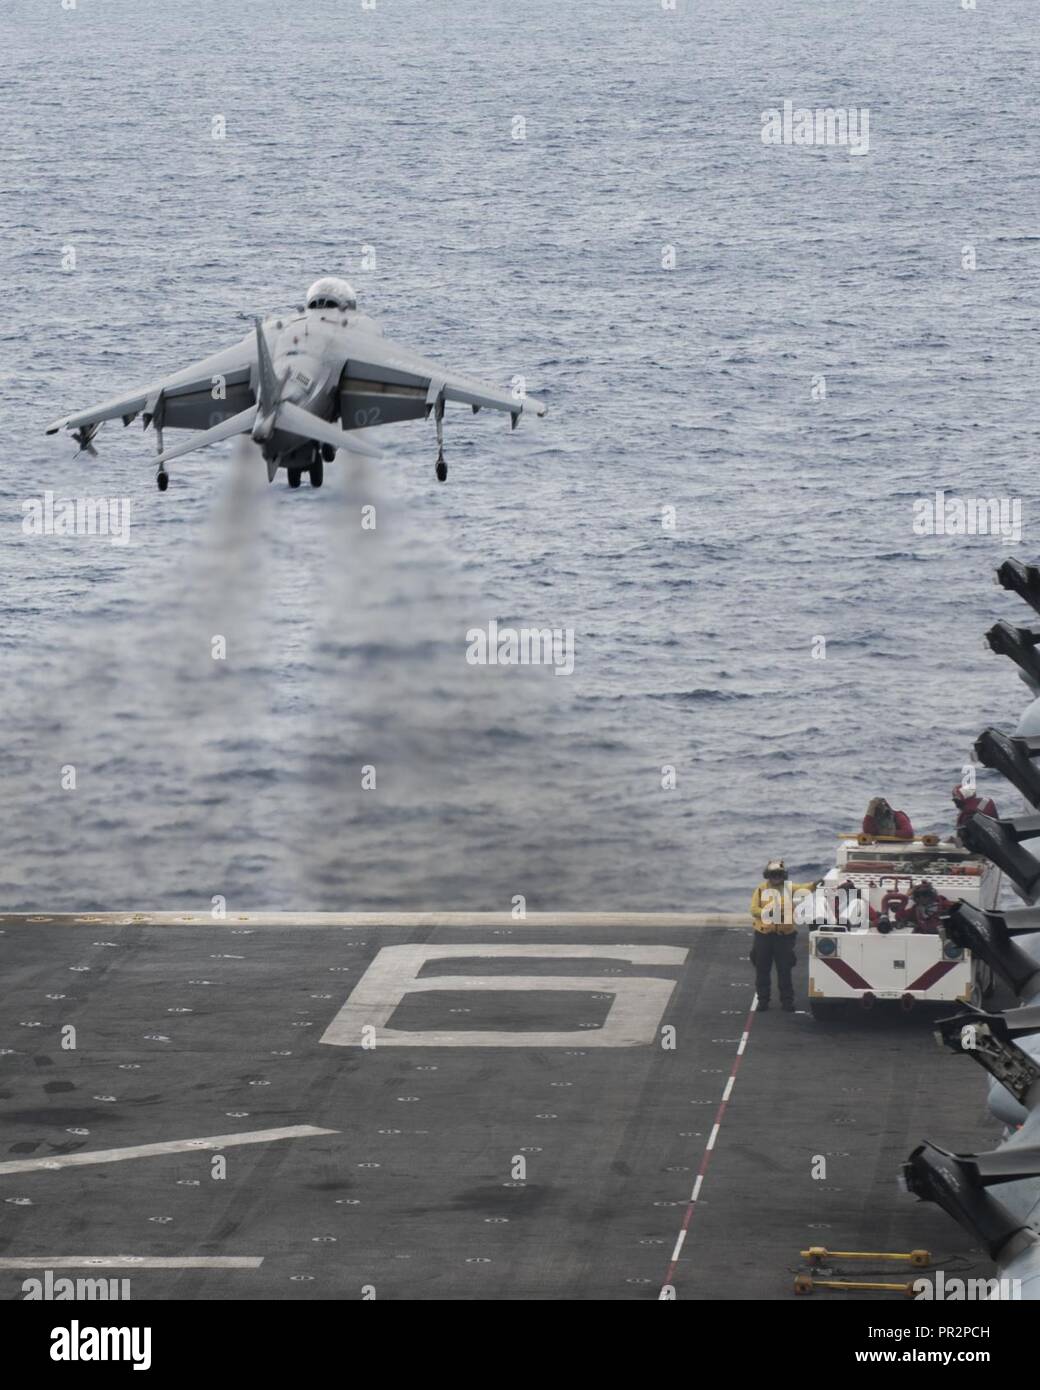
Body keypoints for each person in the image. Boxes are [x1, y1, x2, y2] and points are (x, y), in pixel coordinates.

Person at [749, 859, 817, 1012]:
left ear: (783, 875)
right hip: (764, 935)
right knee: (762, 969)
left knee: (784, 969)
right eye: (773, 875)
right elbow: (753, 910)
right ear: (768, 875)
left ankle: (787, 1001)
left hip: (785, 936)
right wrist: (767, 912)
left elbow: (804, 888)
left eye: (779, 874)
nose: (776, 877)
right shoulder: (760, 890)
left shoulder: (789, 888)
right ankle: (763, 1001)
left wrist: (815, 884)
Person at [876, 880, 952, 935]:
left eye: (926, 894)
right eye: (918, 896)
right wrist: (906, 896)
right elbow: (899, 916)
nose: (923, 898)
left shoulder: (946, 906)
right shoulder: (917, 909)